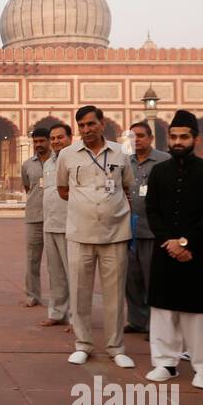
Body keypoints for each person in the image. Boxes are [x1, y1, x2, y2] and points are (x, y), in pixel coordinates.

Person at [143, 111, 203, 390]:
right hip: (166, 250)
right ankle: (165, 363)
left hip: (197, 252)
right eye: (174, 137)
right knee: (163, 310)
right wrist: (169, 242)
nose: (178, 142)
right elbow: (152, 211)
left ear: (195, 139)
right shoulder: (159, 171)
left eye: (184, 137)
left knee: (198, 313)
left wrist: (186, 243)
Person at [56, 105, 136, 368]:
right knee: (80, 292)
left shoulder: (121, 153)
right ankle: (82, 344)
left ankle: (116, 346)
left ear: (102, 124)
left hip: (115, 233)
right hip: (80, 232)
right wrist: (87, 206)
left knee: (114, 294)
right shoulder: (67, 155)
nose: (86, 129)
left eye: (91, 124)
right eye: (82, 125)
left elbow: (127, 187)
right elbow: (63, 189)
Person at [124, 120, 171, 334]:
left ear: (151, 138)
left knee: (153, 280)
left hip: (153, 230)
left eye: (141, 136)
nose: (137, 140)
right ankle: (137, 321)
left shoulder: (163, 161)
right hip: (128, 230)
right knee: (131, 280)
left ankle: (156, 325)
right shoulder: (125, 161)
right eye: (132, 137)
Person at [39, 122, 73, 329]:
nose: (55, 142)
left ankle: (76, 317)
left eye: (60, 137)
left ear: (70, 138)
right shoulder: (48, 164)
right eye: (53, 138)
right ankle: (57, 312)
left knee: (74, 275)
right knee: (55, 273)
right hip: (50, 222)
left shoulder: (76, 161)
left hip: (70, 224)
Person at [21, 125, 52, 307]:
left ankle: (59, 299)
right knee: (32, 258)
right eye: (36, 141)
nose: (38, 144)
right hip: (34, 216)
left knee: (56, 261)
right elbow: (27, 187)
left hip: (55, 216)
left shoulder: (58, 161)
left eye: (41, 141)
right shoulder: (27, 164)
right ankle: (33, 295)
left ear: (48, 141)